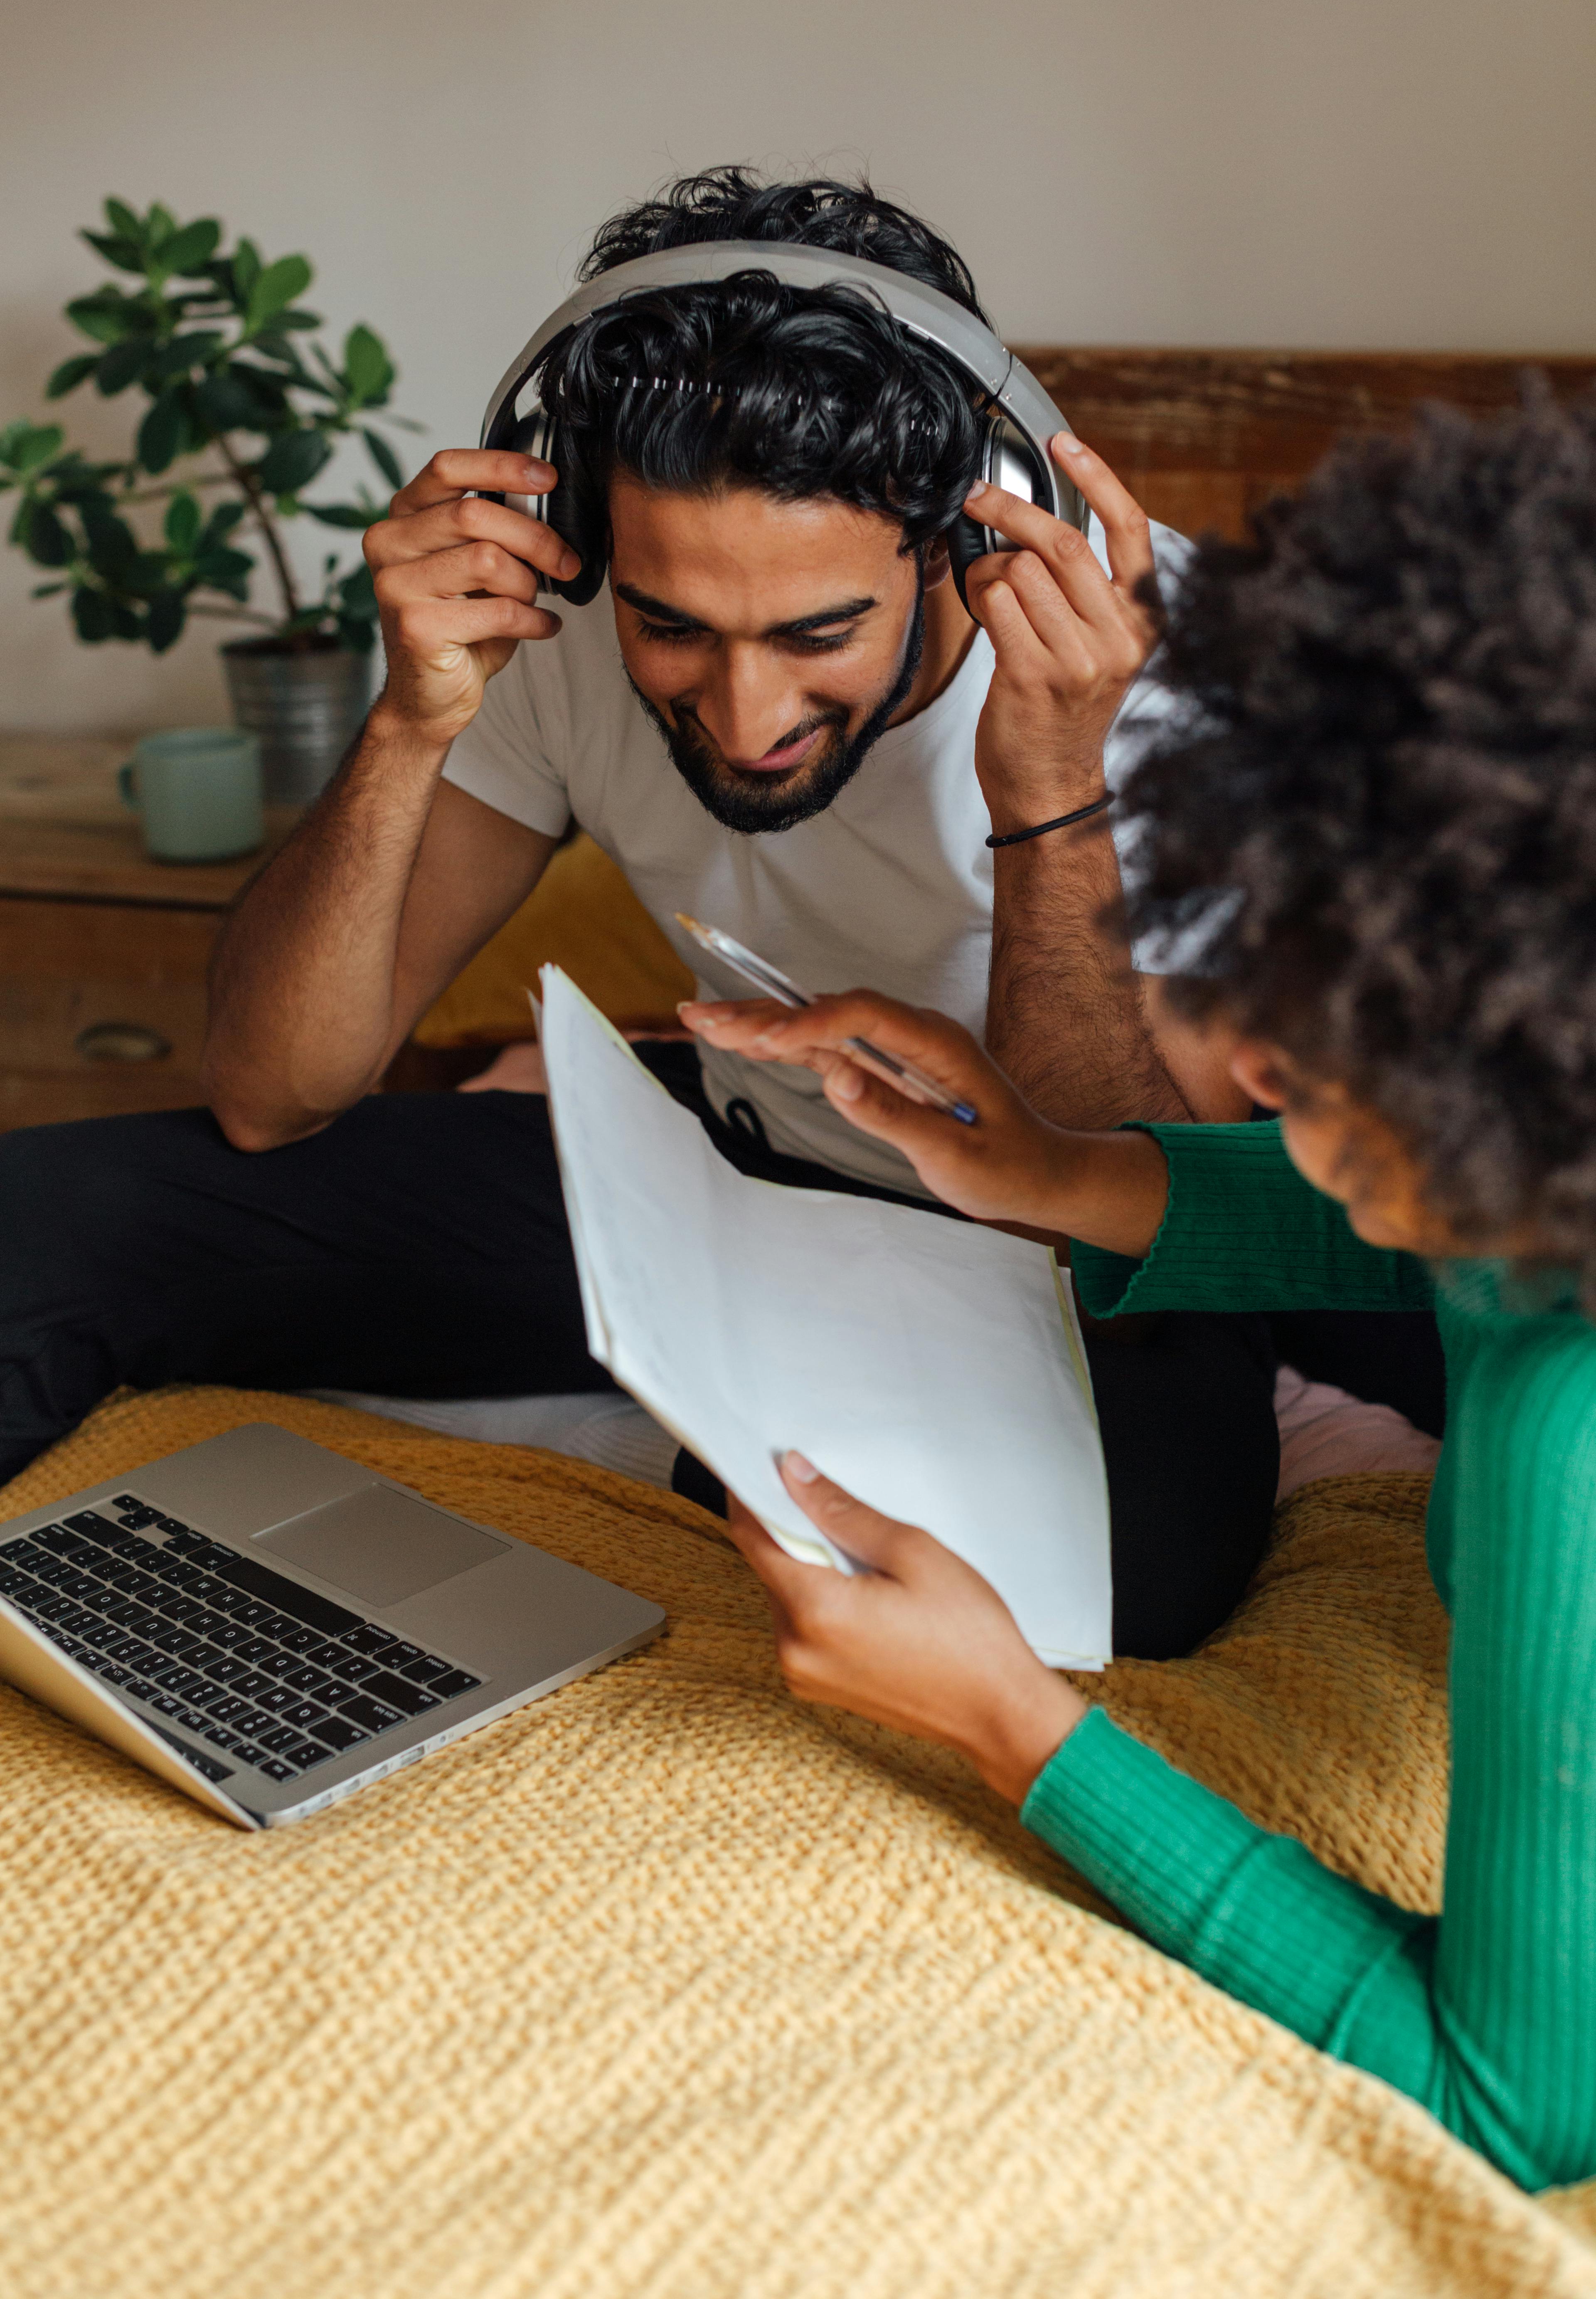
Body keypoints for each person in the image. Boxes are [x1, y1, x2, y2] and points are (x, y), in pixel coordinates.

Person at [2, 170, 1279, 1658]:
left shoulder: (1152, 665)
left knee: (1141, 1573)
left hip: (1052, 1248)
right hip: (719, 1180)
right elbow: (275, 1096)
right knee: (44, 1224)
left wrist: (1052, 786)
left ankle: (737, 1431)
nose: (745, 718)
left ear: (961, 541)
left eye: (820, 633)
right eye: (673, 626)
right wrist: (413, 724)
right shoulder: (553, 632)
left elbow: (1146, 1212)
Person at [682, 391, 1596, 2191]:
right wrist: (1050, 1169)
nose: (1230, 1045)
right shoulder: (1538, 1168)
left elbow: (1517, 2103)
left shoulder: (1572, 1449)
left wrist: (1014, 1721)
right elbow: (1445, 1231)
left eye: (1307, 1040)